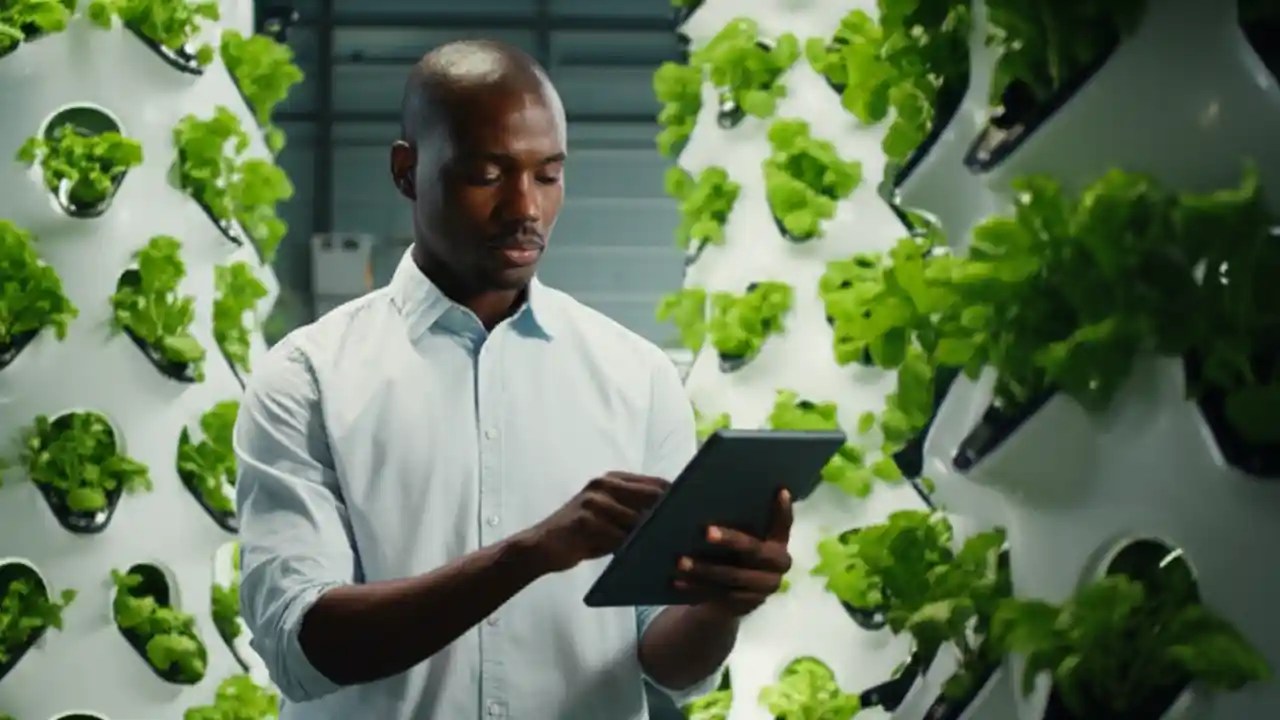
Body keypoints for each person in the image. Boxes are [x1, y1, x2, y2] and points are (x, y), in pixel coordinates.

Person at [233, 39, 794, 720]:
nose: (524, 207)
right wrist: (530, 554)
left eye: (548, 174)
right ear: (407, 171)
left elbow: (666, 661)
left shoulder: (637, 374)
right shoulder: (308, 378)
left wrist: (721, 604)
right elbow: (303, 646)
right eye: (487, 173)